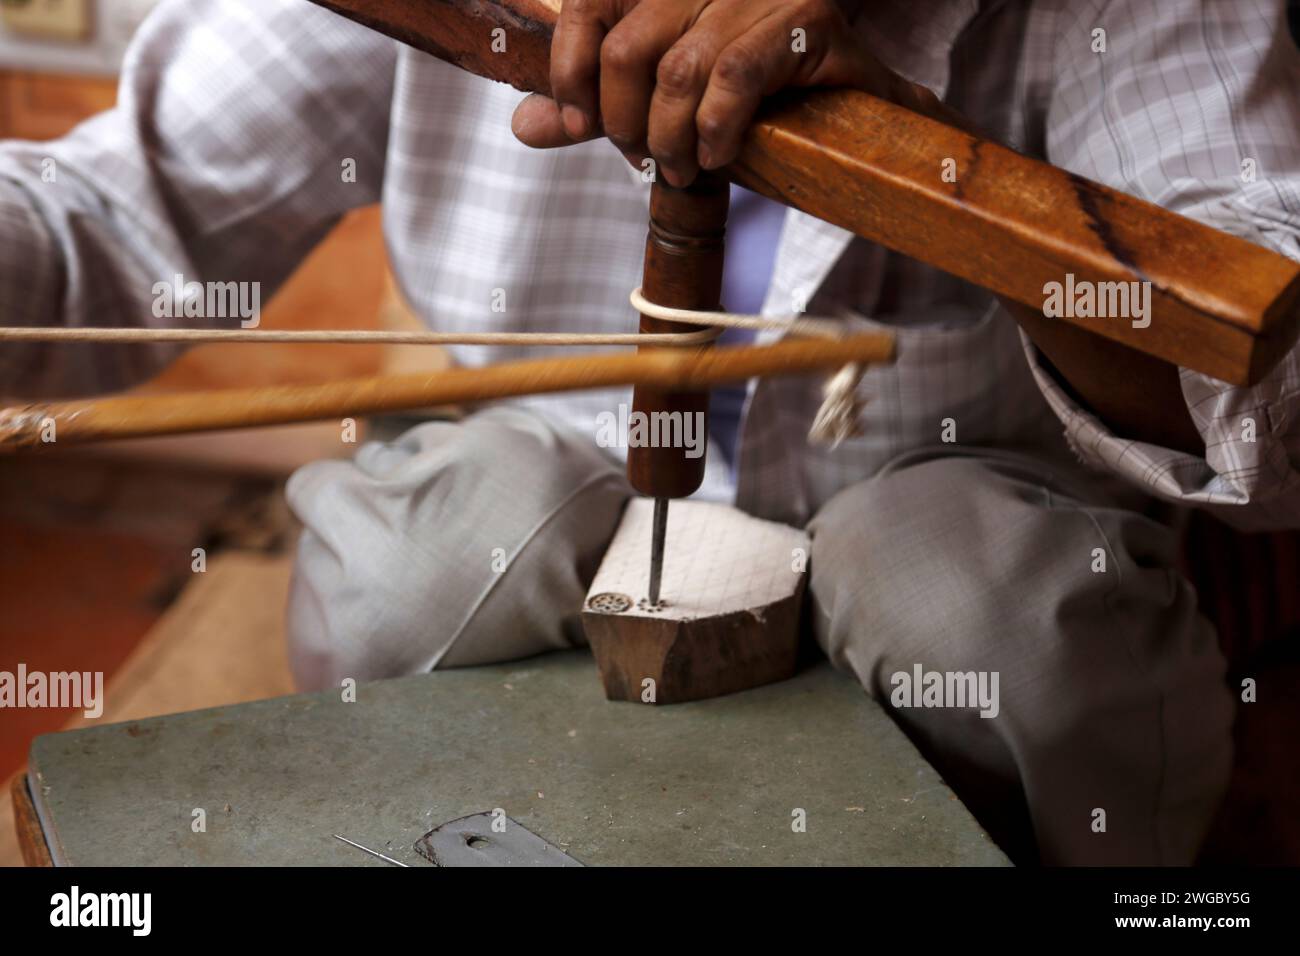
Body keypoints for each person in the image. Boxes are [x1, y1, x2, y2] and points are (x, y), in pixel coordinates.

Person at [3, 0, 1298, 865]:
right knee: (417, 567)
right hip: (559, 499)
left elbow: (1276, 414)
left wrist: (943, 175)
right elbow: (114, 217)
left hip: (949, 510)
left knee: (1006, 631)